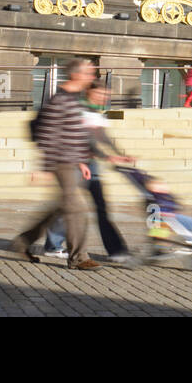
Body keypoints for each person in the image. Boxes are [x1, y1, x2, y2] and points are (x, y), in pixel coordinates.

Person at [11, 57, 100, 270]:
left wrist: (81, 161)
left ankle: (23, 241)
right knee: (77, 209)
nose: (93, 77)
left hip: (71, 162)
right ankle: (79, 257)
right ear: (76, 74)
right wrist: (45, 168)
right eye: (89, 73)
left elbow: (73, 134)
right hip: (60, 163)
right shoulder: (60, 100)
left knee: (62, 208)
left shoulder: (73, 99)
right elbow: (48, 135)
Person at [44, 81, 132, 265]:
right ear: (89, 91)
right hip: (75, 162)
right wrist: (107, 157)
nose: (103, 97)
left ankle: (116, 250)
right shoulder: (79, 109)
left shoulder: (96, 112)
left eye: (106, 94)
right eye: (100, 93)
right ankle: (53, 245)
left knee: (100, 206)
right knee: (69, 206)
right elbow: (85, 140)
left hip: (92, 164)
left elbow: (103, 137)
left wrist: (120, 154)